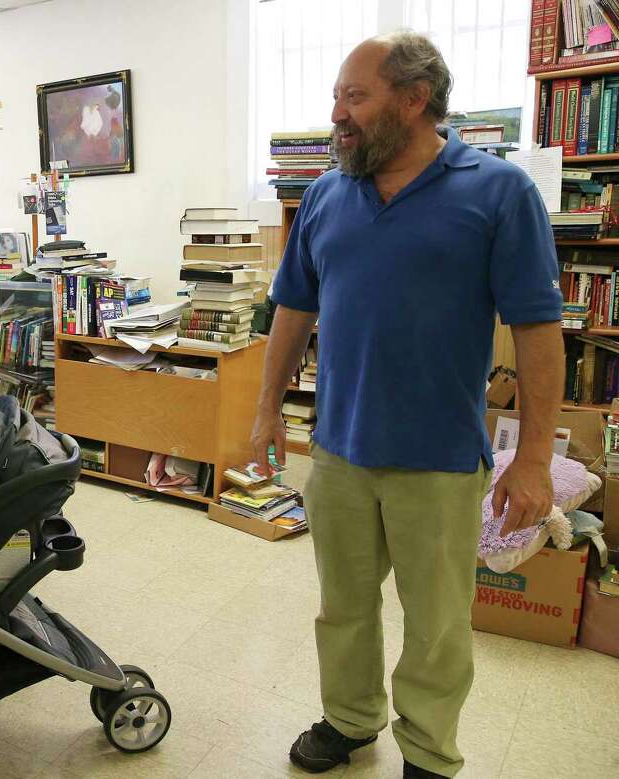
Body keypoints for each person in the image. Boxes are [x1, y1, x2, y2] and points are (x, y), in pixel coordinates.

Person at [251, 32, 562, 778]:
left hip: (442, 458)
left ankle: (426, 749)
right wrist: (267, 408)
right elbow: (293, 308)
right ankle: (351, 719)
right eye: (335, 98)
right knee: (343, 608)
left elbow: (538, 330)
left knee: (437, 625)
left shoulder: (498, 192)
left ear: (415, 100)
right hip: (340, 452)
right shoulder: (326, 194)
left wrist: (536, 460)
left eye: (354, 97)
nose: (337, 114)